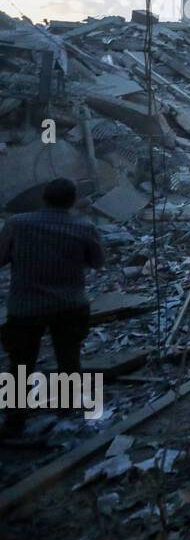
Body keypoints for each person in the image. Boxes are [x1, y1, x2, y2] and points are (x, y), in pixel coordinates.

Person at [1, 178, 106, 438]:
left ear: (43, 198)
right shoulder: (85, 227)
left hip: (26, 306)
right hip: (70, 304)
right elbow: (98, 263)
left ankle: (15, 418)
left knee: (20, 363)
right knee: (69, 358)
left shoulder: (17, 224)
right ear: (72, 202)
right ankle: (67, 408)